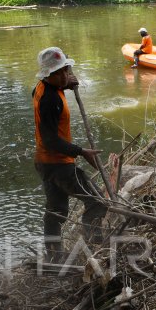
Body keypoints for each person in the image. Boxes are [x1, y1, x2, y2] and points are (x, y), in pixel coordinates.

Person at [32, 47, 107, 262]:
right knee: (97, 201)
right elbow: (51, 140)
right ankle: (95, 244)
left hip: (45, 162)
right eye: (61, 73)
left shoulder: (42, 88)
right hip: (59, 164)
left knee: (56, 211)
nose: (65, 75)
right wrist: (81, 152)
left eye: (66, 70)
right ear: (49, 75)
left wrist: (66, 86)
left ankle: (55, 257)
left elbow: (50, 125)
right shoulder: (50, 100)